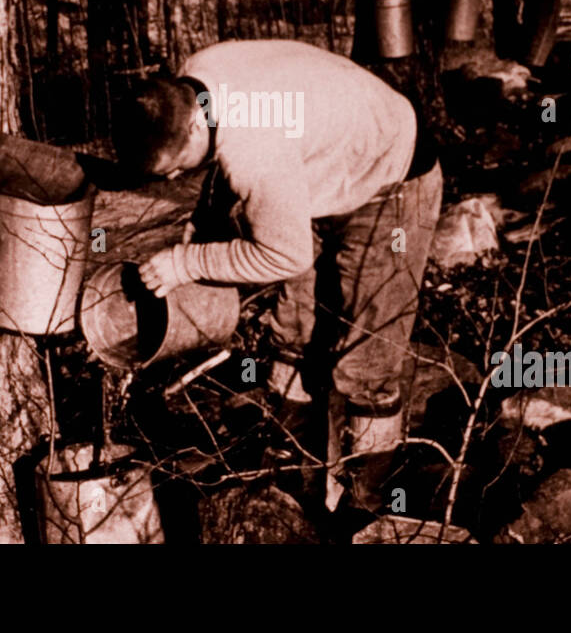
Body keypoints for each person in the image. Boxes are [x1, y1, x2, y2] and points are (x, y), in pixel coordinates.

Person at [111, 39, 442, 511]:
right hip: (321, 163)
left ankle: (364, 508)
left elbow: (287, 255)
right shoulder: (196, 77)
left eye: (175, 168)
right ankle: (298, 483)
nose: (170, 181)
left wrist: (187, 263)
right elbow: (225, 182)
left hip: (392, 176)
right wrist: (200, 232)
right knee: (294, 331)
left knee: (366, 362)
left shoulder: (253, 148)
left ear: (191, 121)